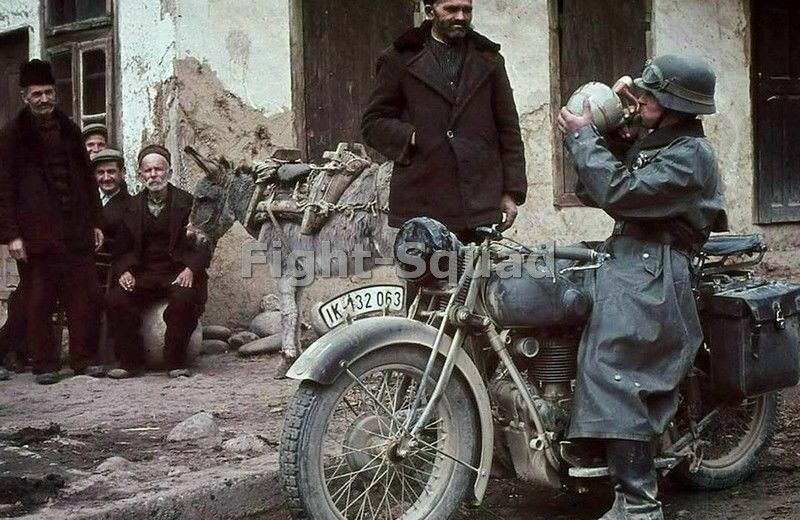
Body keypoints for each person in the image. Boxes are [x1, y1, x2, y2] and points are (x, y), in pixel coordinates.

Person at [556, 54, 729, 519]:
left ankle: (638, 504)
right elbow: (594, 189)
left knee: (615, 366)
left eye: (651, 93)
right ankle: (581, 443)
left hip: (659, 269)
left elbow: (620, 194)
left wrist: (582, 137)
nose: (641, 98)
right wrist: (612, 133)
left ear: (674, 102)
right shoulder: (658, 142)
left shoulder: (691, 156)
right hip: (630, 258)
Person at [361, 0, 526, 244]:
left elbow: (508, 130)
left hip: (476, 201)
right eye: (450, 9)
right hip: (422, 199)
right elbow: (373, 122)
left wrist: (511, 192)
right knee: (427, 278)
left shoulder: (489, 60)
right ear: (429, 12)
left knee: (475, 279)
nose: (460, 16)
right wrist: (413, 136)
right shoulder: (399, 58)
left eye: (466, 9)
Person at [0, 59, 105, 385]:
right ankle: (44, 364)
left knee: (83, 296)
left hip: (75, 232)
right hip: (36, 236)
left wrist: (96, 222)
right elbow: (2, 189)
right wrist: (11, 236)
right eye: (36, 94)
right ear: (24, 96)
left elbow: (88, 181)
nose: (44, 99)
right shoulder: (11, 136)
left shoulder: (71, 130)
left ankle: (83, 360)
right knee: (39, 299)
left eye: (48, 92)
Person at [106, 144, 210, 379]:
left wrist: (191, 268)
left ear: (169, 172)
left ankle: (175, 362)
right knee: (116, 299)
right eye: (148, 170)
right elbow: (120, 249)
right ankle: (130, 362)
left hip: (176, 271)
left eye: (159, 170)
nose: (153, 175)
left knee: (185, 299)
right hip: (143, 274)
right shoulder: (130, 207)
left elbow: (205, 244)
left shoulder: (188, 204)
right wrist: (124, 271)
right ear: (140, 174)